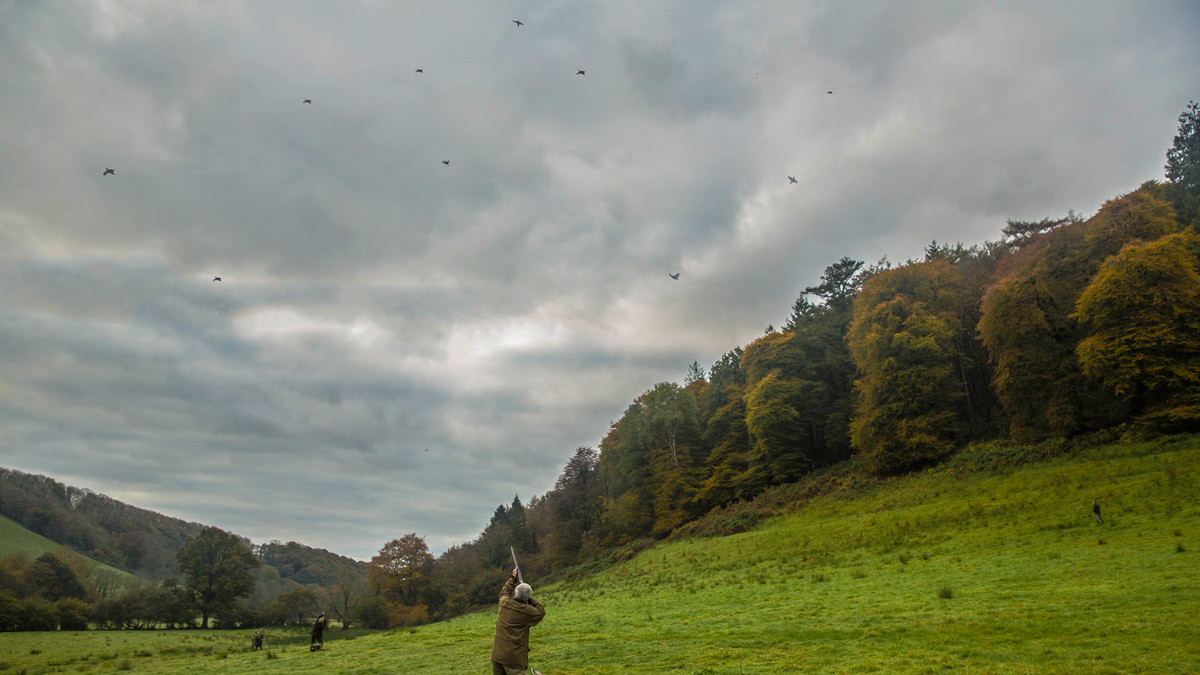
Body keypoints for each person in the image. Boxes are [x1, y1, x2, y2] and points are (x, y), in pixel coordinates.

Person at [490, 567, 545, 675]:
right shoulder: (528, 611)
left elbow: (504, 590)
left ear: (515, 592)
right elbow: (541, 611)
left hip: (497, 655)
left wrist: (513, 577)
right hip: (514, 660)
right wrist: (530, 599)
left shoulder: (504, 602)